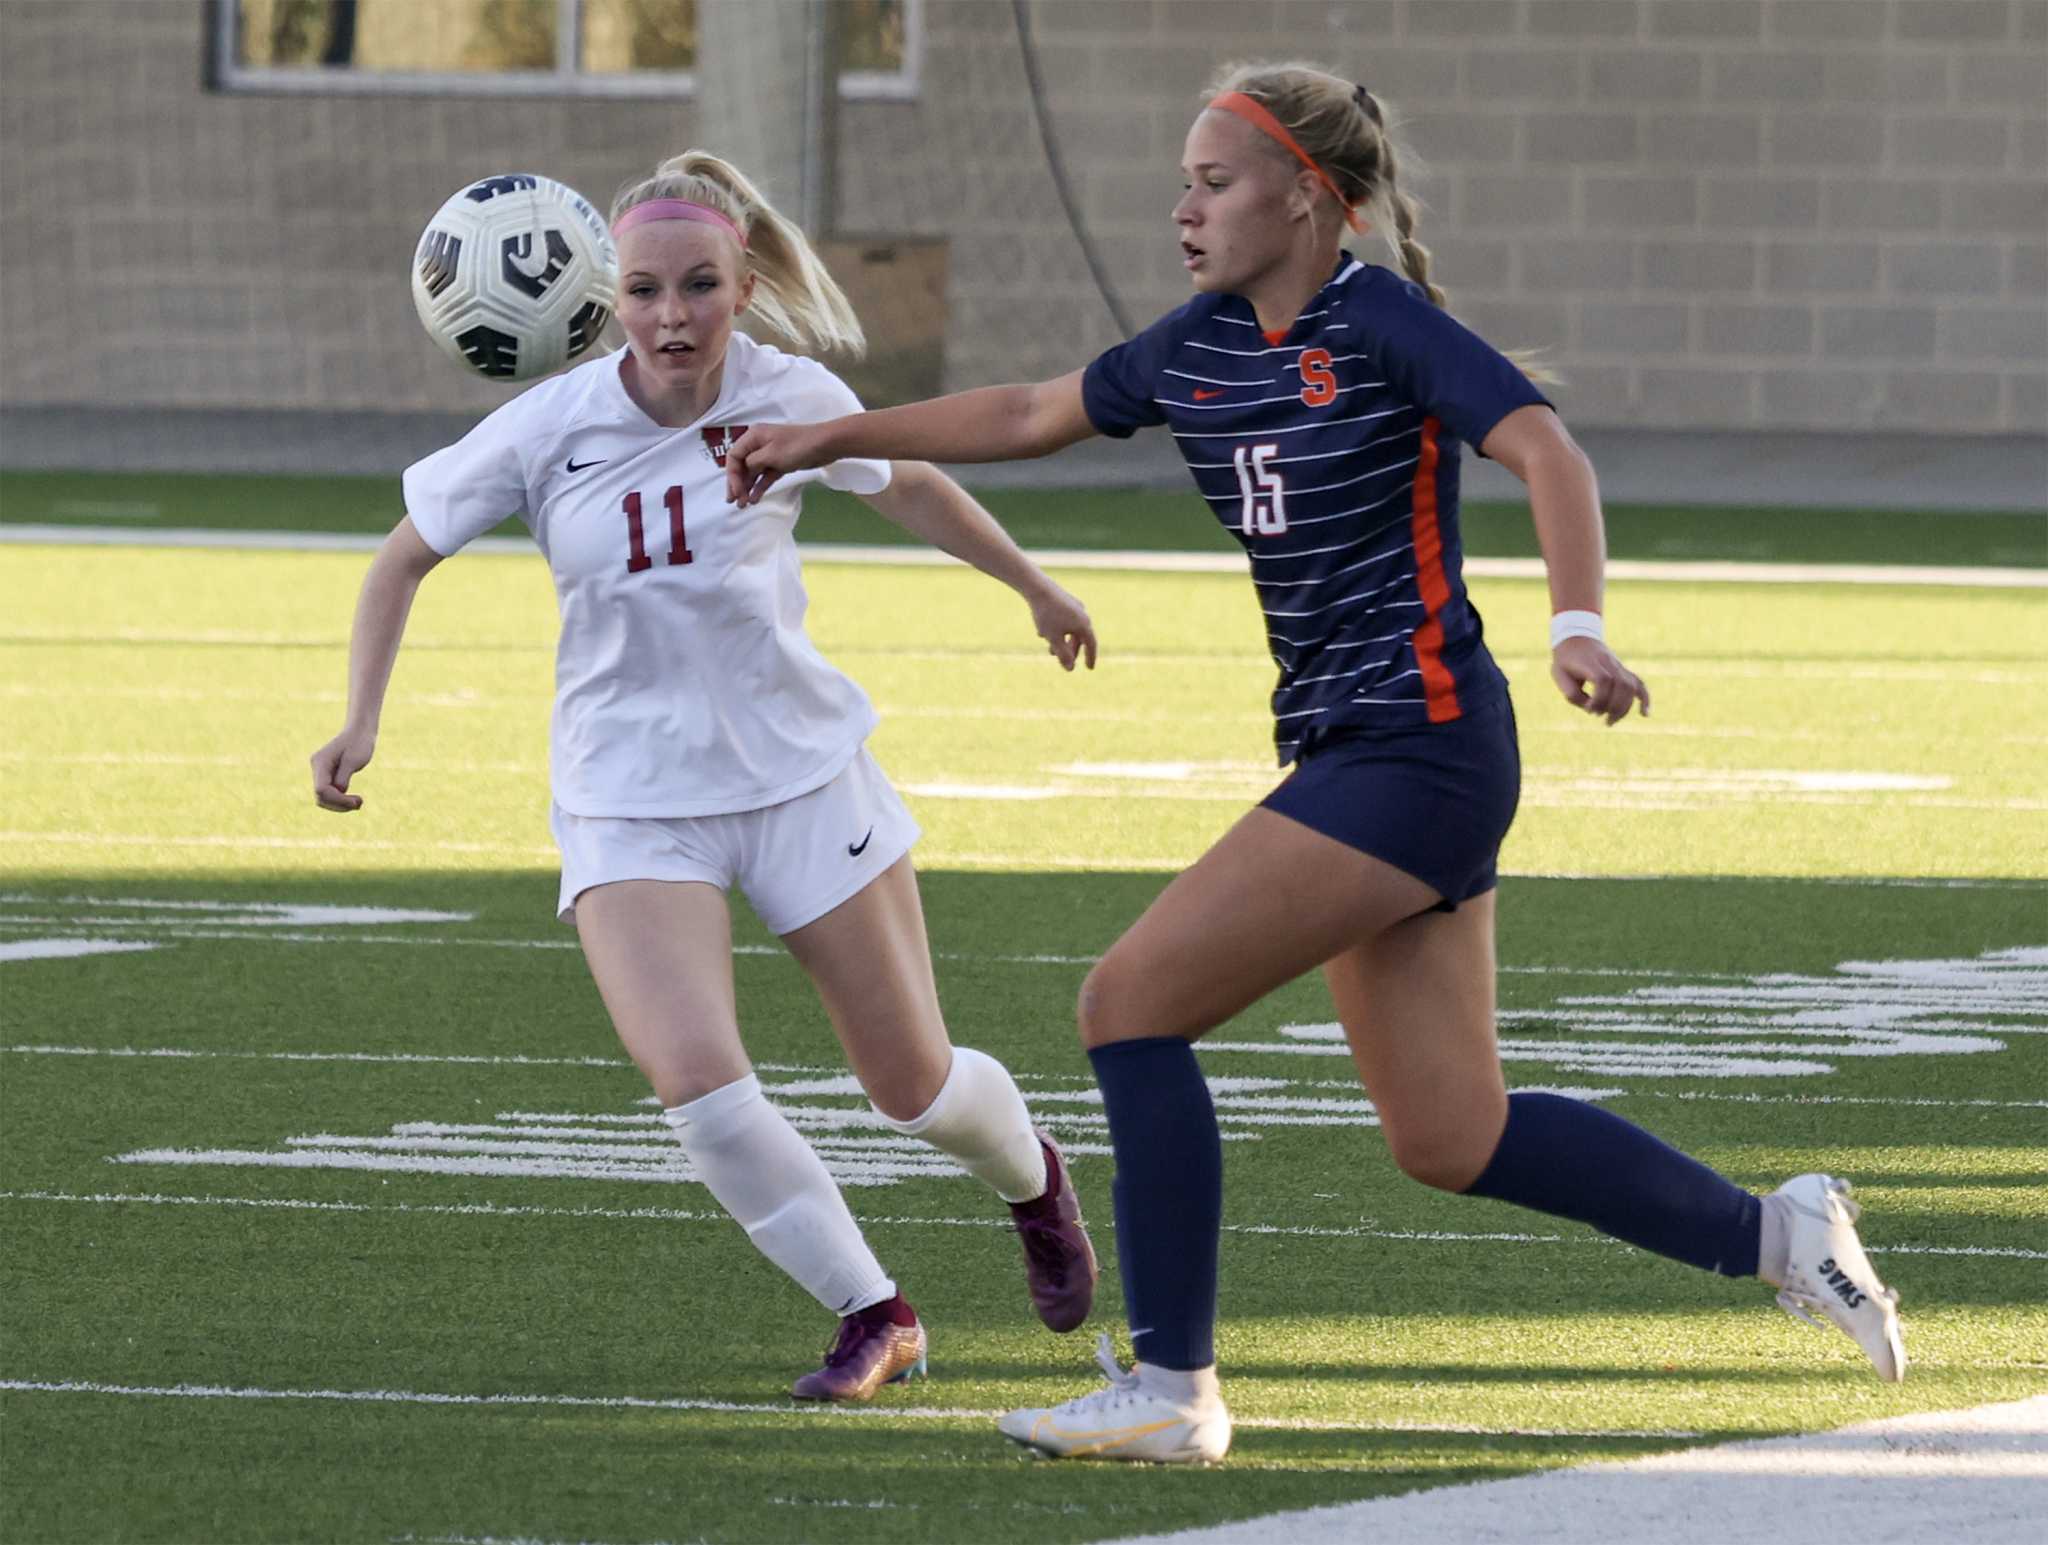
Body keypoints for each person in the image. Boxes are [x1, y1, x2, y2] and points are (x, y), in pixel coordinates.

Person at [724, 64, 1906, 1459]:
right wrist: (826, 435)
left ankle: (1171, 1388)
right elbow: (1026, 413)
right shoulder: (1198, 345)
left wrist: (1578, 625)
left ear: (1310, 198)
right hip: (1369, 754)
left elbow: (1548, 450)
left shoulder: (1381, 321)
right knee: (1449, 1134)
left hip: (1422, 749)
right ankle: (1780, 1230)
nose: (1184, 208)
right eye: (1183, 181)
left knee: (1128, 1002)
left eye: (1215, 182)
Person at [310, 149, 1101, 1403]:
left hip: (798, 780)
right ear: (600, 299)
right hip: (627, 795)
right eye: (641, 291)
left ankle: (1033, 1182)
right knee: (697, 1082)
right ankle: (874, 1313)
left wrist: (1032, 584)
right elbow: (398, 560)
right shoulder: (546, 426)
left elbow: (915, 486)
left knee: (913, 1087)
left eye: (697, 287)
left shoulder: (789, 395)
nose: (670, 316)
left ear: (743, 286)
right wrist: (360, 720)